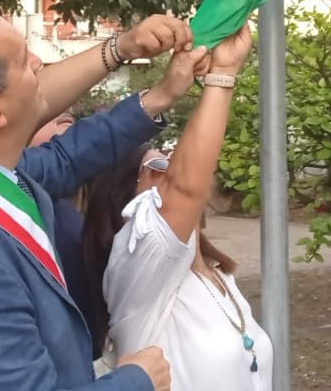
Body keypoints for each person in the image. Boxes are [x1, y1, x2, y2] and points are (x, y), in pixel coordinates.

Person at [0, 0, 196, 391]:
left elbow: (68, 156)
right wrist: (136, 381)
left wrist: (159, 93)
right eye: (23, 60)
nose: (39, 65)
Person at [93, 24, 266, 389]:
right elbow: (184, 186)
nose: (172, 170)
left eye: (171, 159)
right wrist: (222, 75)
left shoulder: (218, 274)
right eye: (158, 169)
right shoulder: (139, 261)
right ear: (125, 199)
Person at [31, 108, 106, 357]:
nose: (66, 125)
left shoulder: (69, 216)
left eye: (68, 119)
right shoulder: (48, 215)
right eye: (52, 116)